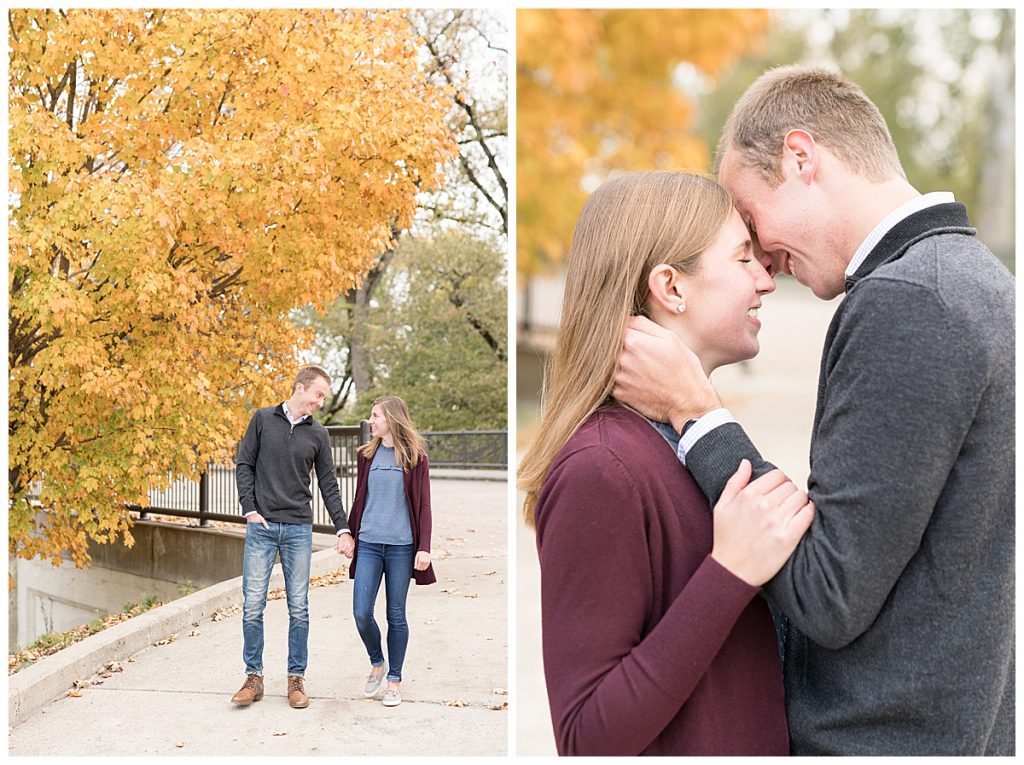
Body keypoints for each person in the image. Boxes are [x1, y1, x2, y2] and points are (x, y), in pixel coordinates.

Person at [614, 66, 1014, 755]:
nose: (765, 256)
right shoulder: (982, 282)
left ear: (801, 158)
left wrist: (696, 410)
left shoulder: (909, 300)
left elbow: (829, 592)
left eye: (750, 217)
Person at [517, 171, 815, 756]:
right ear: (671, 287)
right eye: (743, 259)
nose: (766, 279)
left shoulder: (689, 441)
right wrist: (728, 573)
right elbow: (586, 737)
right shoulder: (600, 468)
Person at [231, 365, 355, 709]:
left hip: (299, 528)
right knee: (253, 604)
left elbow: (328, 483)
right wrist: (249, 509)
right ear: (300, 388)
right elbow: (244, 464)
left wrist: (342, 527)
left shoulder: (319, 435)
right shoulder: (262, 419)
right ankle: (253, 678)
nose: (320, 402)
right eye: (318, 394)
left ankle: (295, 679)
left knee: (298, 607)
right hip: (262, 527)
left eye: (324, 397)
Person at [346, 396, 436, 708]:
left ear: (392, 419)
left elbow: (424, 504)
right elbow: (360, 499)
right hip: (369, 543)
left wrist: (424, 546)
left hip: (401, 548)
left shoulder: (415, 457)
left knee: (395, 614)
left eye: (375, 416)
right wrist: (349, 533)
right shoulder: (366, 455)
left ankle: (394, 680)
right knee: (361, 612)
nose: (371, 421)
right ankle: (377, 662)